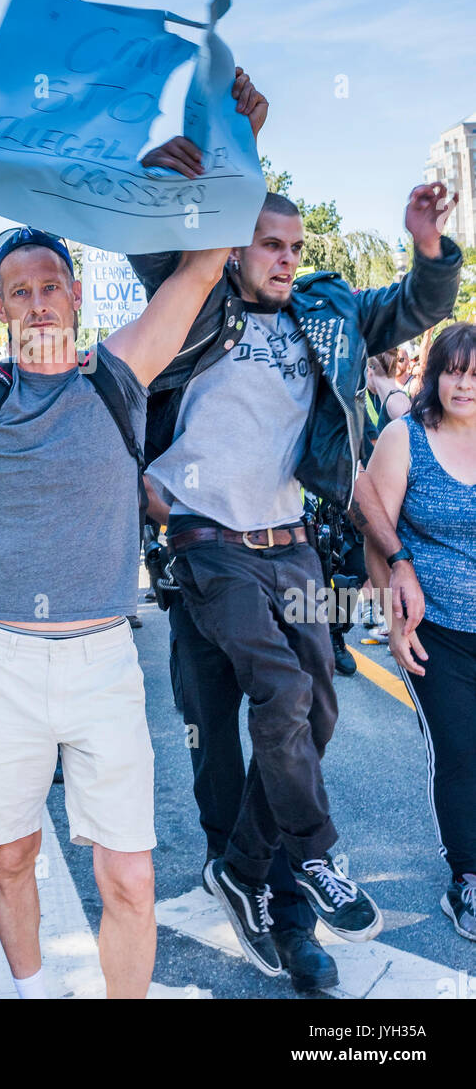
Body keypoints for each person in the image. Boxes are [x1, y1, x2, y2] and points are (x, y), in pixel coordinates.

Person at [0, 77, 260, 999]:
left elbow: (203, 267)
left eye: (48, 286)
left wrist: (233, 142)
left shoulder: (120, 376)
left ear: (73, 294)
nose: (36, 301)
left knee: (129, 878)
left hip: (101, 664)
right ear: (1, 308)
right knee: (10, 861)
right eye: (18, 291)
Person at [129, 164, 462, 990]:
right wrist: (215, 159)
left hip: (293, 546)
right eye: (266, 245)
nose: (282, 259)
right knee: (230, 721)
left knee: (310, 708)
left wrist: (428, 249)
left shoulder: (327, 310)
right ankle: (302, 862)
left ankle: (261, 884)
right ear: (232, 248)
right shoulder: (195, 303)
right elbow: (154, 242)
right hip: (205, 545)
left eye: (293, 247)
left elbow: (415, 308)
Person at [360, 321, 476, 942]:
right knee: (461, 750)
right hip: (438, 627)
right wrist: (391, 616)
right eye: (455, 370)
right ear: (434, 374)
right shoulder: (405, 438)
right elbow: (375, 531)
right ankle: (468, 879)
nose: (465, 383)